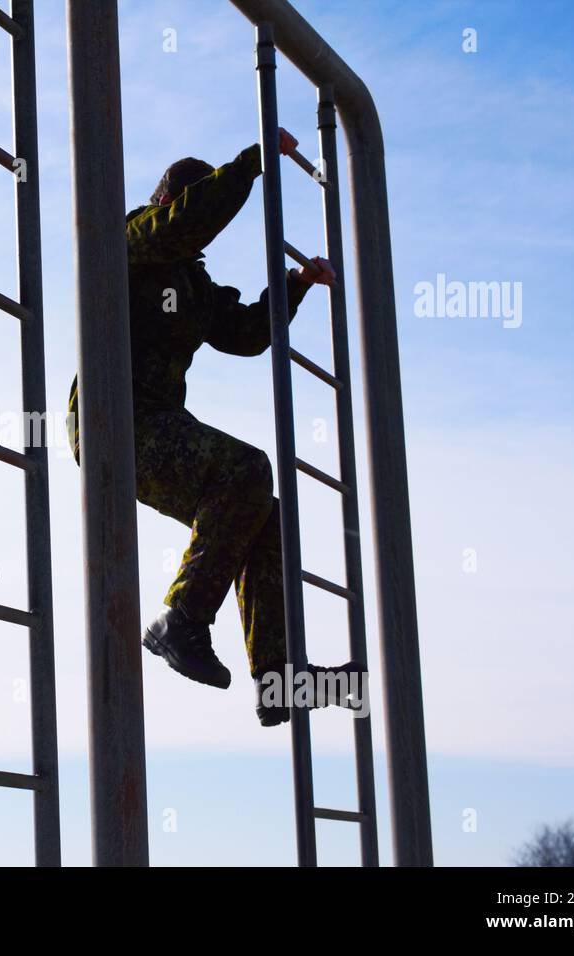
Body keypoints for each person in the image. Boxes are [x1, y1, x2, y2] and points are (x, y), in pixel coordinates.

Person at [67, 131, 360, 726]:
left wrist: (297, 284)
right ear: (171, 203)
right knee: (246, 469)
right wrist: (252, 163)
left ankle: (280, 679)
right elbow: (185, 225)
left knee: (263, 513)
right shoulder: (130, 240)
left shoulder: (193, 286)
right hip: (110, 419)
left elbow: (249, 333)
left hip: (155, 426)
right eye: (192, 206)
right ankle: (183, 621)